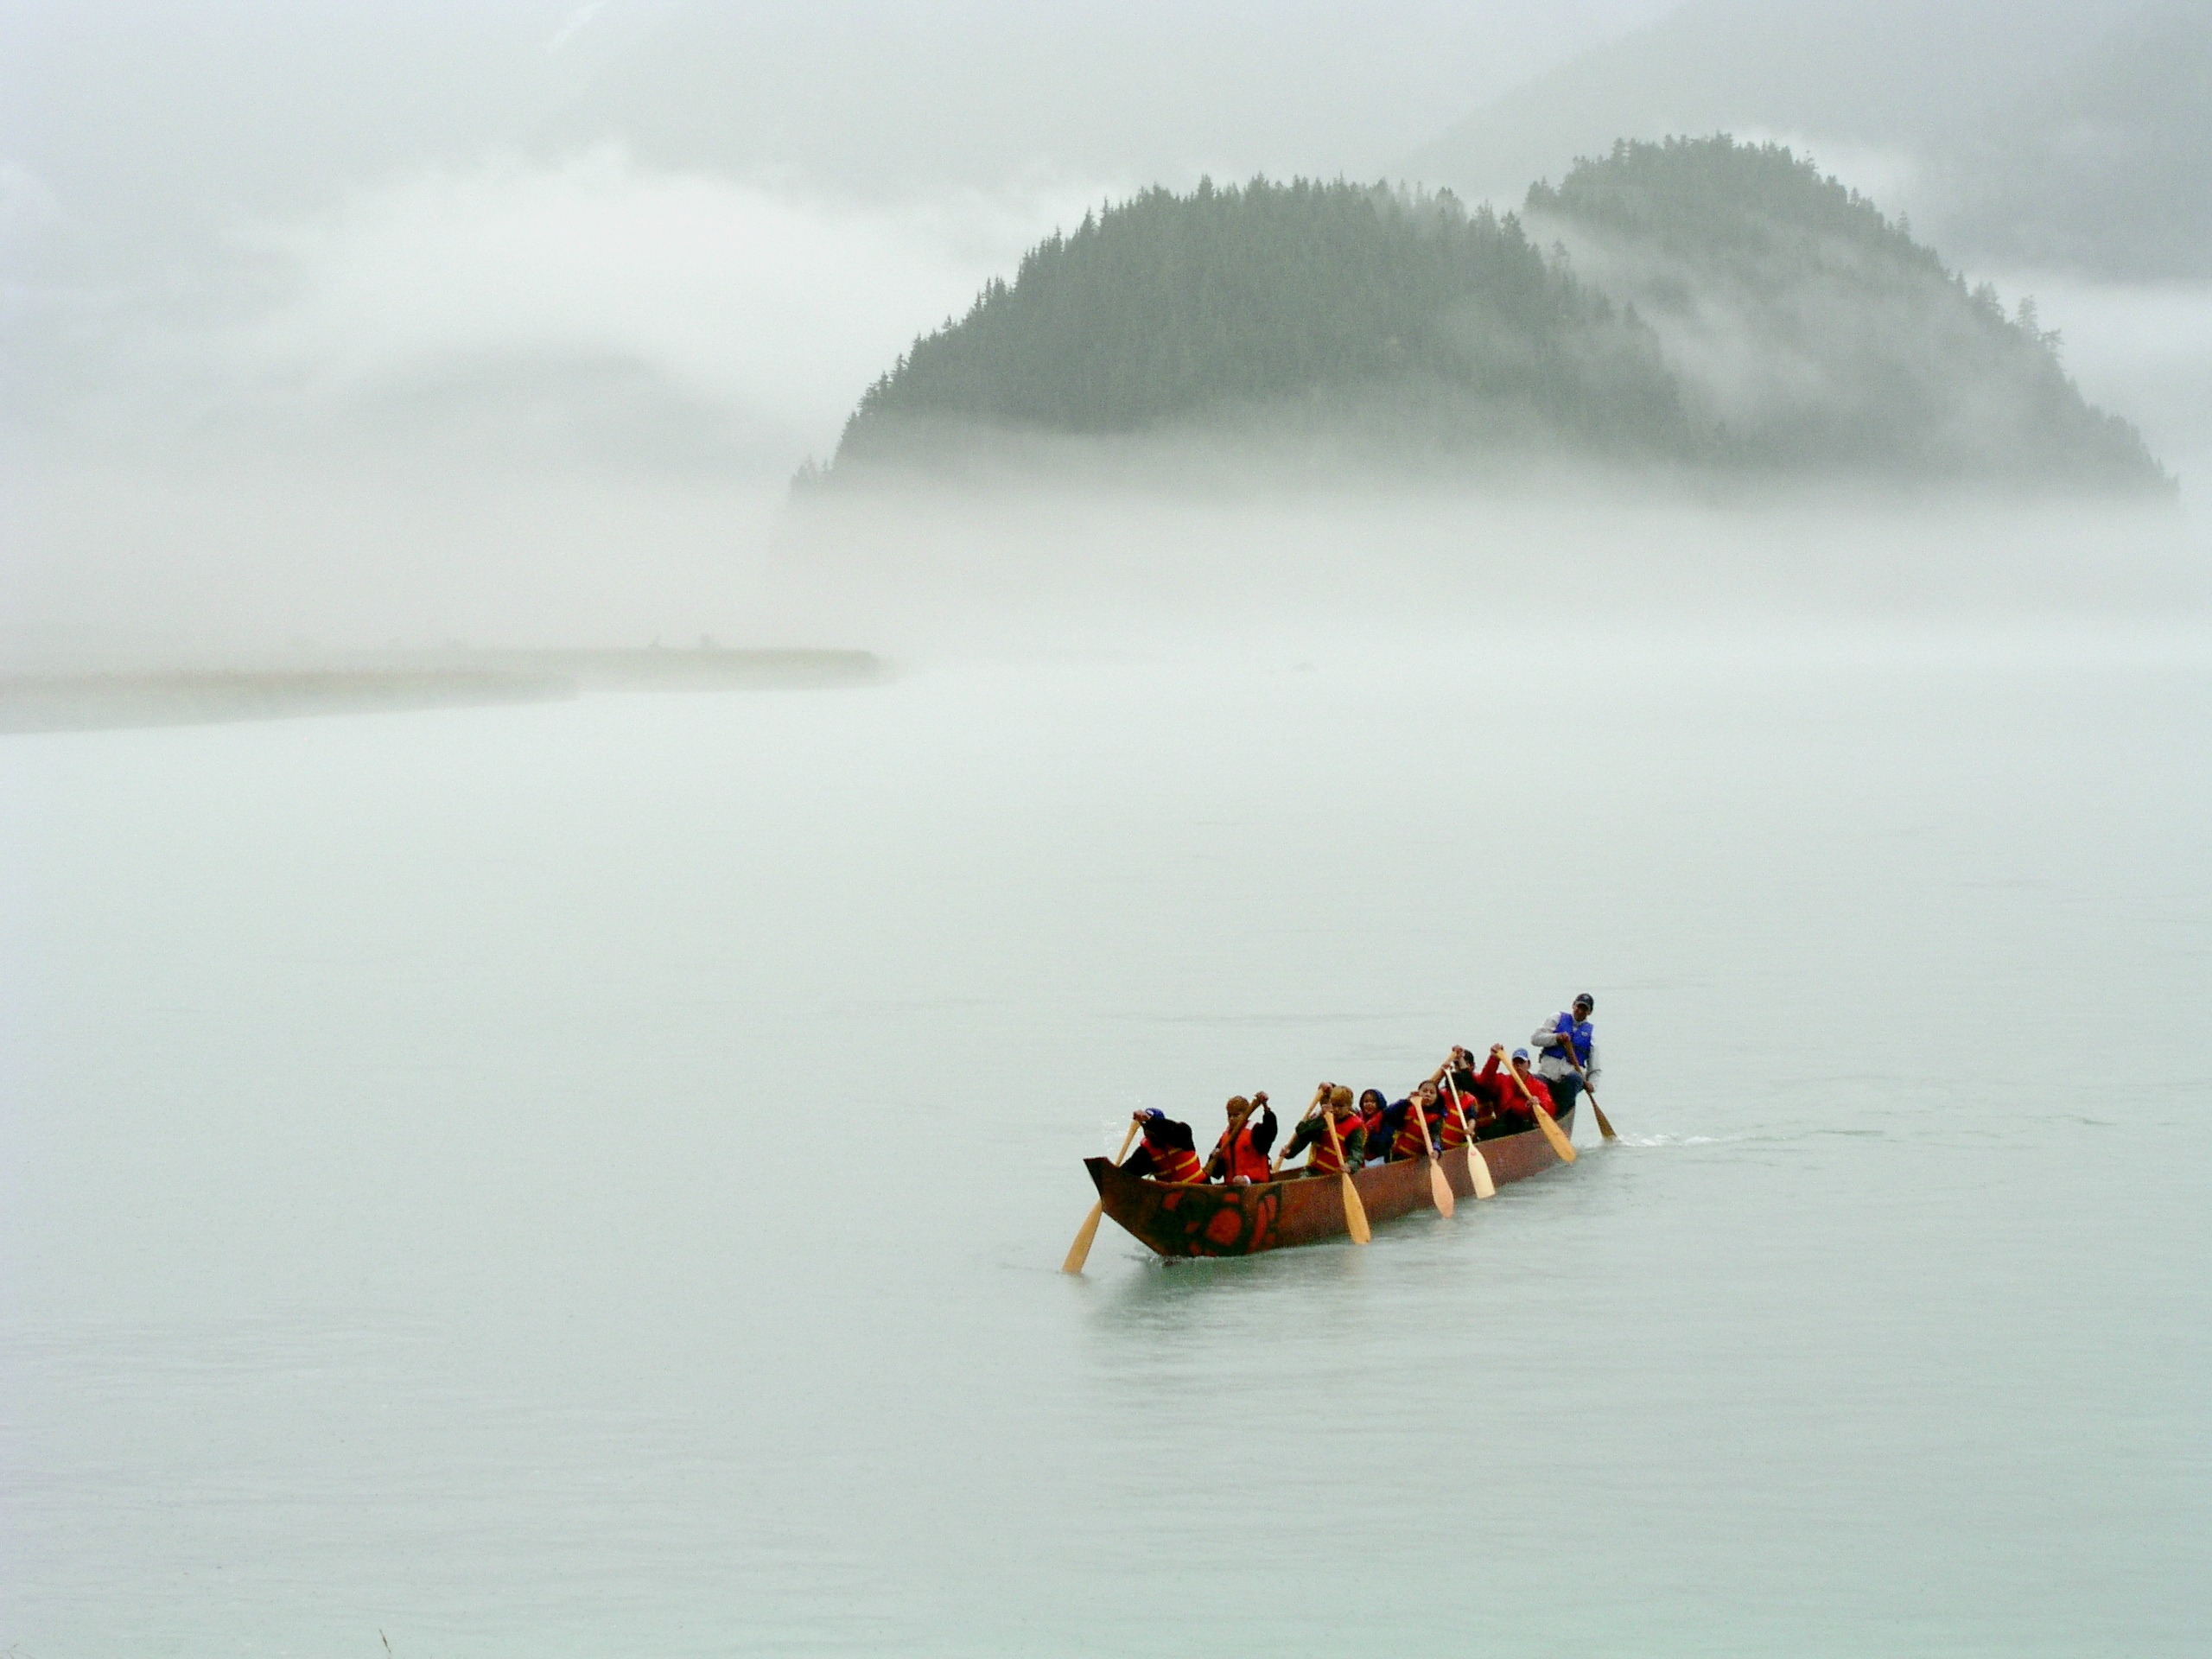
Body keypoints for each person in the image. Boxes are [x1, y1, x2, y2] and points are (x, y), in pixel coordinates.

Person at [1532, 994, 1599, 1121]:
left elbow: (1595, 1068)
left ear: (1589, 1012)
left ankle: (1559, 1117)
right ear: (1573, 1005)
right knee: (1535, 1081)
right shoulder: (1557, 1018)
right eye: (1579, 1007)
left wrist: (1592, 1085)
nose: (1580, 1011)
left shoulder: (1591, 1035)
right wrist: (1556, 1038)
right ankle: (1537, 1119)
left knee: (1575, 1078)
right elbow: (1535, 1039)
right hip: (1547, 1076)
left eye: (1585, 1009)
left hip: (1569, 1082)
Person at [1278, 1085, 1366, 1177]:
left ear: (1348, 1107)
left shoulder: (1355, 1127)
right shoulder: (1323, 1119)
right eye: (1334, 1105)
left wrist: (1350, 1166)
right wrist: (1290, 1152)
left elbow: (1357, 1153)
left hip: (1338, 1174)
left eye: (1340, 1106)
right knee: (1303, 1180)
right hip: (1314, 1171)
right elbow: (1303, 1133)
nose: (1336, 1109)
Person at [1202, 1093, 1277, 1184]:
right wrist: (1216, 1157)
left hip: (1255, 1183)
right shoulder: (1225, 1137)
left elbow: (1270, 1133)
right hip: (1233, 1187)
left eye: (1236, 1115)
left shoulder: (1255, 1130)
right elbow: (1217, 1173)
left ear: (1245, 1114)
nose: (1231, 1119)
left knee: (1239, 1180)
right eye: (1229, 1115)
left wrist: (1265, 1107)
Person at [1122, 1108, 1204, 1183]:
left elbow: (1172, 1129)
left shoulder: (1182, 1137)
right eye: (1145, 1126)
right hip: (1174, 1195)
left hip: (1202, 1190)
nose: (1147, 1131)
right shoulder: (1145, 1153)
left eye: (1151, 1127)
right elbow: (1126, 1174)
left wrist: (1150, 1120)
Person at [1387, 1077, 1445, 1161]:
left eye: (1432, 1093)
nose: (1428, 1094)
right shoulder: (1406, 1107)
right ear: (1418, 1093)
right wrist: (1406, 1101)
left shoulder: (1436, 1118)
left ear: (1436, 1097)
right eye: (1424, 1091)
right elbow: (1389, 1114)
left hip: (1419, 1160)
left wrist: (1436, 1149)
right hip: (1398, 1155)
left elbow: (1437, 1137)